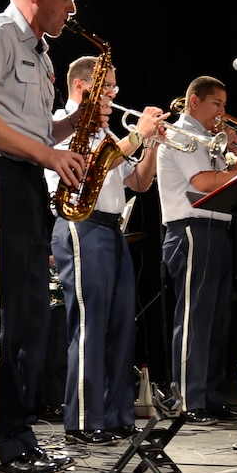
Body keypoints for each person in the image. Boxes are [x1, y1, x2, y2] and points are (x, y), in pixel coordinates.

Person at [0, 0, 98, 473]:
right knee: (4, 320)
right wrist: (46, 154)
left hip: (24, 183)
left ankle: (17, 438)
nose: (72, 9)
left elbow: (33, 130)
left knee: (30, 321)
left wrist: (74, 123)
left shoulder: (42, 54)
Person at [45, 56, 168, 445]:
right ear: (83, 87)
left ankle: (115, 416)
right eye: (108, 87)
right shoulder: (61, 125)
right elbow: (87, 171)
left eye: (114, 87)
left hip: (112, 230)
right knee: (90, 325)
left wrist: (150, 145)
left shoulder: (106, 132)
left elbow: (139, 183)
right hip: (81, 224)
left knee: (120, 326)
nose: (114, 94)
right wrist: (137, 136)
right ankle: (83, 420)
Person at [155, 75, 237, 424]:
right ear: (195, 101)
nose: (222, 112)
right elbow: (204, 182)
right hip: (191, 230)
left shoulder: (211, 140)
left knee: (218, 319)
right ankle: (188, 399)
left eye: (224, 105)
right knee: (196, 317)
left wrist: (234, 151)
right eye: (216, 104)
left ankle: (210, 398)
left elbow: (232, 179)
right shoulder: (181, 135)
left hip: (216, 230)